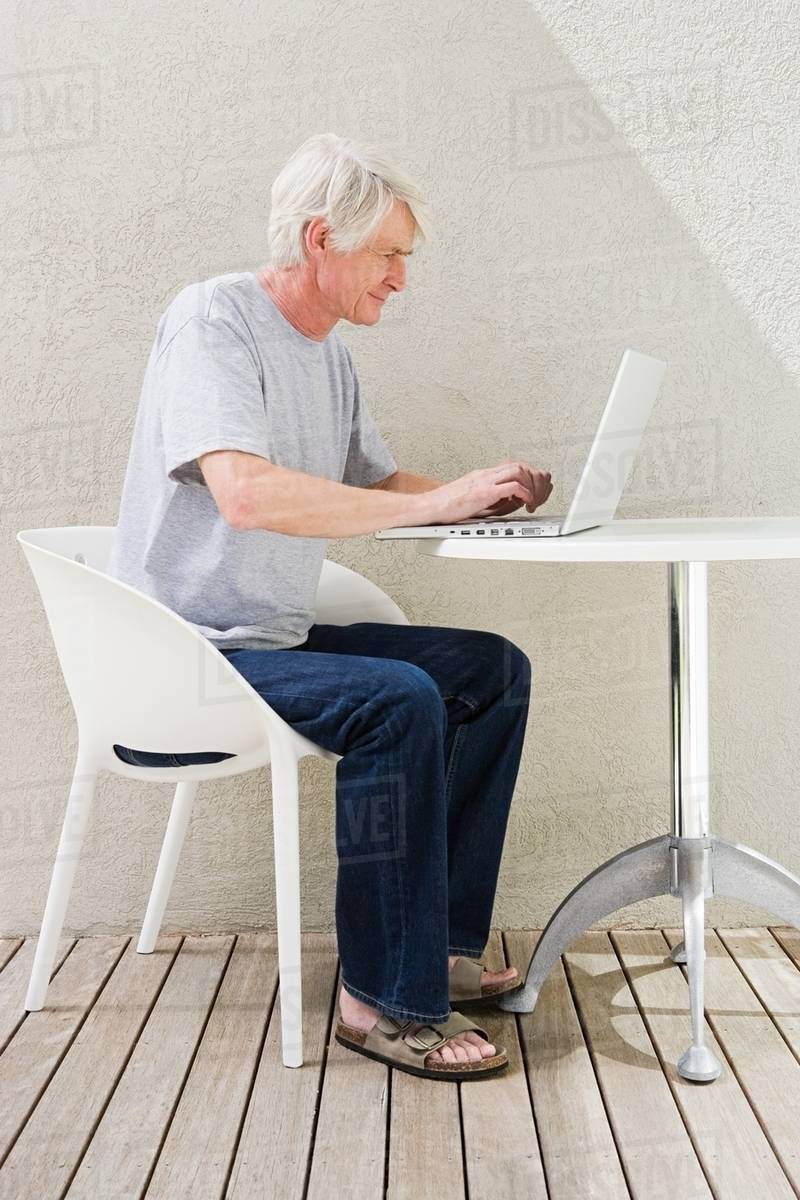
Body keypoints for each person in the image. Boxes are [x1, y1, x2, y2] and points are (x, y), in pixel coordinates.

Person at [107, 132, 553, 1081]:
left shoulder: (330, 358)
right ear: (322, 239)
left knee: (491, 671)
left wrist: (481, 498)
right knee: (397, 699)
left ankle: (430, 949)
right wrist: (430, 503)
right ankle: (379, 1002)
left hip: (269, 637)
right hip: (185, 654)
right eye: (390, 254)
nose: (400, 279)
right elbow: (249, 494)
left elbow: (382, 485)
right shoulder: (213, 321)